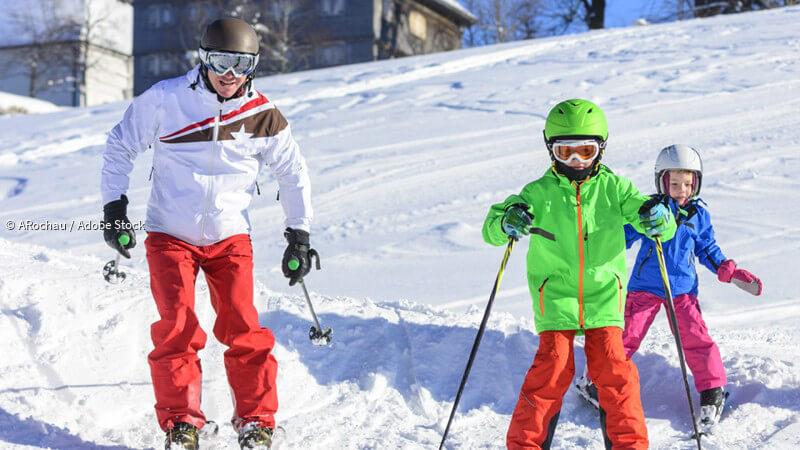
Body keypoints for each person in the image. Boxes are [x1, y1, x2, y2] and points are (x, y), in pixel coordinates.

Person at [100, 17, 314, 450]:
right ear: (203, 58)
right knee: (177, 327)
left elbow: (292, 173)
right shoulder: (166, 99)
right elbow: (121, 144)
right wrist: (114, 208)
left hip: (230, 234)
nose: (229, 75)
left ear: (253, 66)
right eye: (220, 61)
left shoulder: (263, 115)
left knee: (243, 328)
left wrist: (300, 234)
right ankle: (183, 423)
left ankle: (256, 421)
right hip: (169, 233)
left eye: (240, 64)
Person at [482, 99, 676, 449]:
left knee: (614, 371)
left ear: (600, 149)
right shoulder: (537, 194)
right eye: (565, 151)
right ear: (550, 150)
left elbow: (652, 216)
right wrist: (507, 220)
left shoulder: (616, 188)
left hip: (604, 296)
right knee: (551, 369)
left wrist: (658, 217)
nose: (576, 161)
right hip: (556, 297)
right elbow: (492, 228)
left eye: (585, 151)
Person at [576, 144, 762, 428]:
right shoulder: (649, 209)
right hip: (646, 285)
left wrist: (726, 269)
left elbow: (707, 247)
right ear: (661, 181)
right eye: (674, 183)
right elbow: (623, 235)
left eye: (688, 183)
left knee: (695, 337)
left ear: (696, 183)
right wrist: (596, 245)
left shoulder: (699, 214)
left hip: (682, 288)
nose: (682, 189)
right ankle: (594, 380)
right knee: (626, 334)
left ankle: (712, 389)